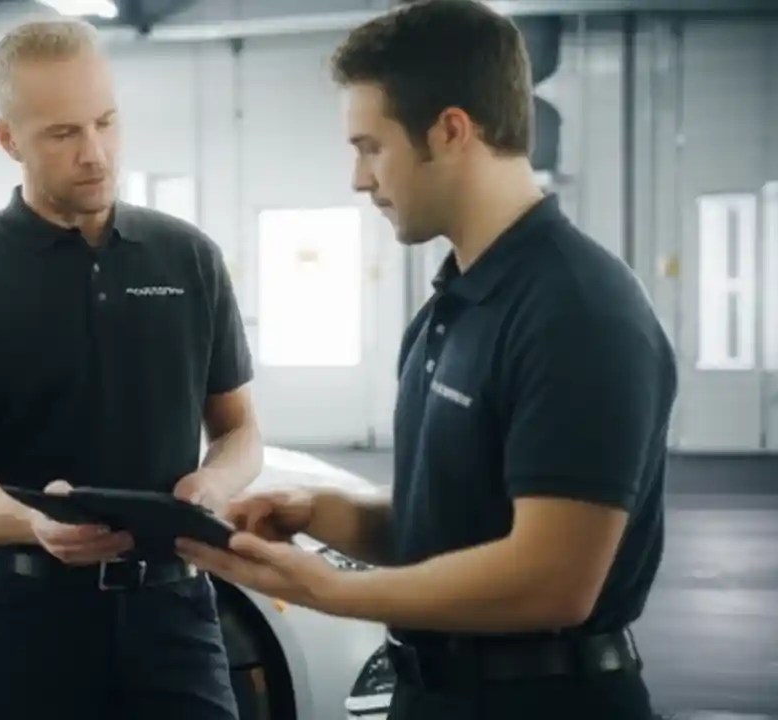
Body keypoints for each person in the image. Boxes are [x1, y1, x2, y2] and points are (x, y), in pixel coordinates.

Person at [176, 1, 677, 719]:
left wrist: (331, 591)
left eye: (370, 146)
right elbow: (451, 525)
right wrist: (318, 513)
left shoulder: (578, 311)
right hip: (433, 696)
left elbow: (551, 579)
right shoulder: (453, 306)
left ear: (450, 131)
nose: (358, 177)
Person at [0, 17, 262, 720]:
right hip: (24, 618)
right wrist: (32, 522)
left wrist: (215, 481)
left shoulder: (188, 258)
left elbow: (242, 430)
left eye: (105, 122)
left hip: (174, 613)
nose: (95, 153)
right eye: (63, 134)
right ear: (8, 140)